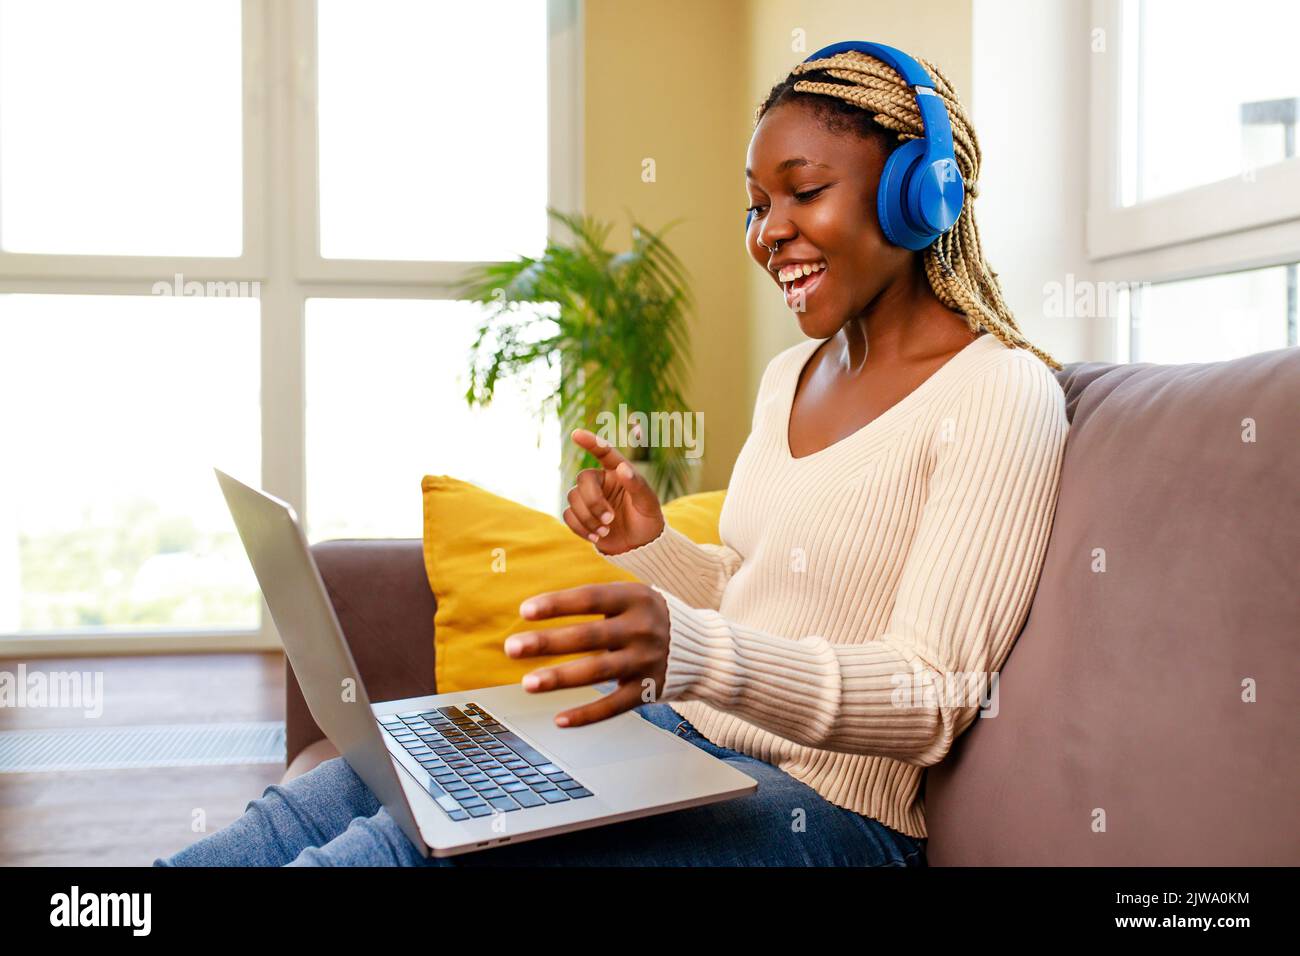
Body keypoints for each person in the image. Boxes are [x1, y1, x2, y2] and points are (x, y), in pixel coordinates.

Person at [158, 45, 1067, 867]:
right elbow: (751, 594)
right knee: (349, 782)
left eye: (803, 190)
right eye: (756, 205)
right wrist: (649, 545)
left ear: (922, 191)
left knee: (398, 854)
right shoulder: (793, 373)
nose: (766, 232)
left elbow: (934, 693)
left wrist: (697, 655)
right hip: (683, 743)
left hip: (830, 815)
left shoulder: (999, 394)